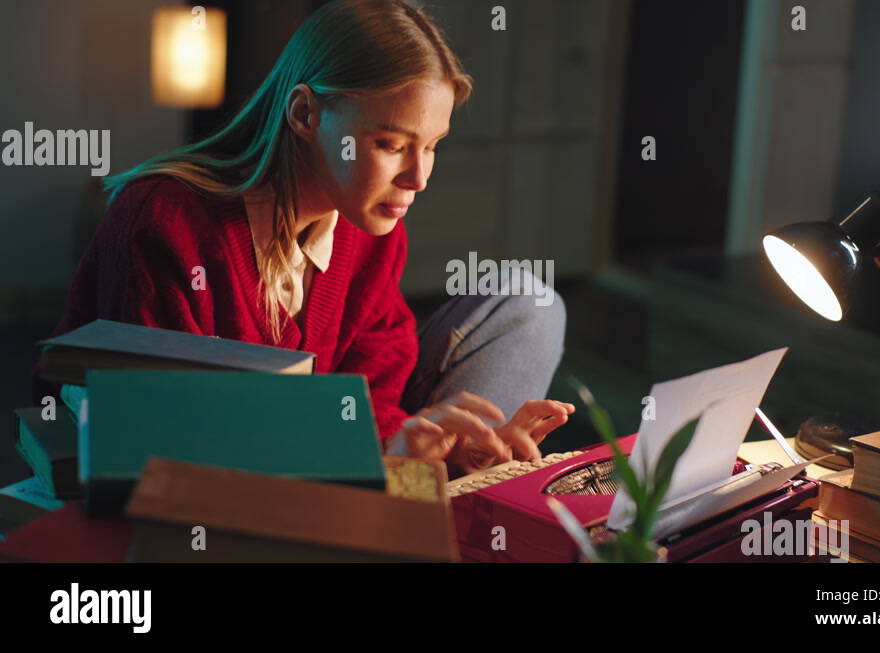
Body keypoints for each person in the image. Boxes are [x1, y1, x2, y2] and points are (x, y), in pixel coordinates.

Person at [32, 0, 573, 475]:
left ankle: (463, 485)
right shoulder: (164, 220)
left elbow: (376, 392)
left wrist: (433, 447)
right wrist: (373, 453)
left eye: (431, 145)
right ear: (304, 113)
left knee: (530, 302)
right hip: (204, 478)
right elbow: (162, 437)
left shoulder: (373, 231)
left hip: (333, 460)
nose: (418, 178)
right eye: (391, 143)